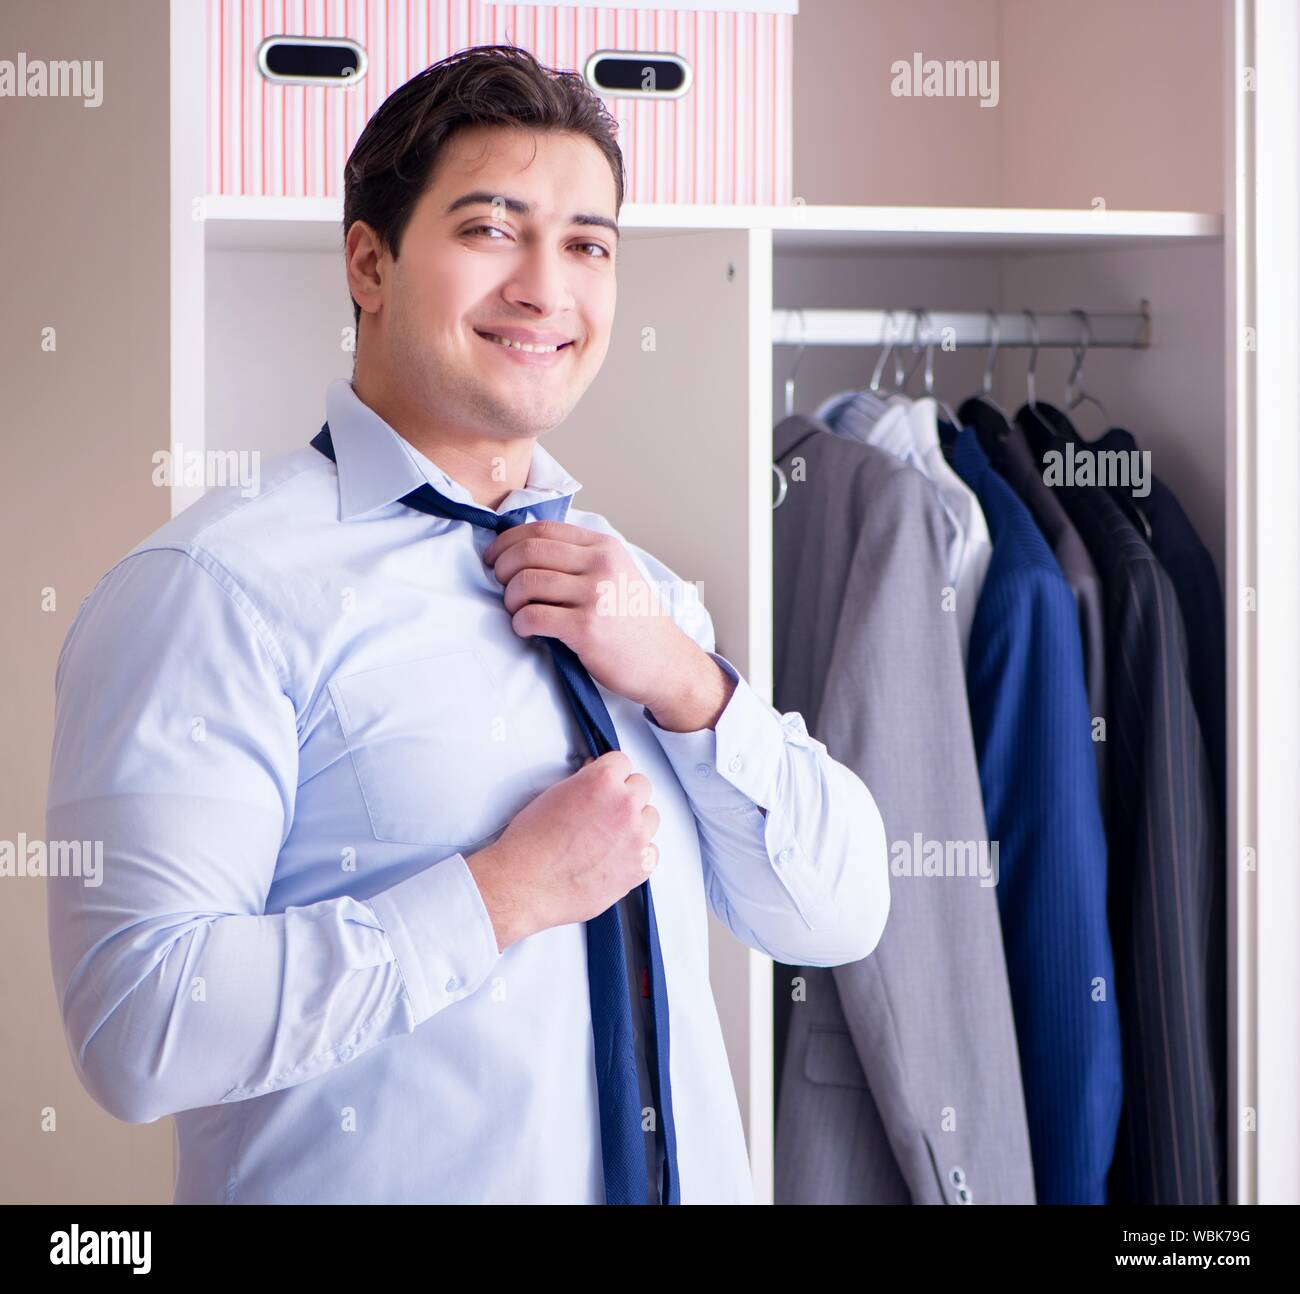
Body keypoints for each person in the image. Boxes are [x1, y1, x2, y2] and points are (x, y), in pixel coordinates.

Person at [45, 44, 889, 1204]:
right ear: (369, 262)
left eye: (587, 245)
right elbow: (138, 1027)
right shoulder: (212, 590)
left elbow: (839, 912)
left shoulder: (641, 599)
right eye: (492, 229)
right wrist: (499, 895)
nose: (546, 289)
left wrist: (691, 684)